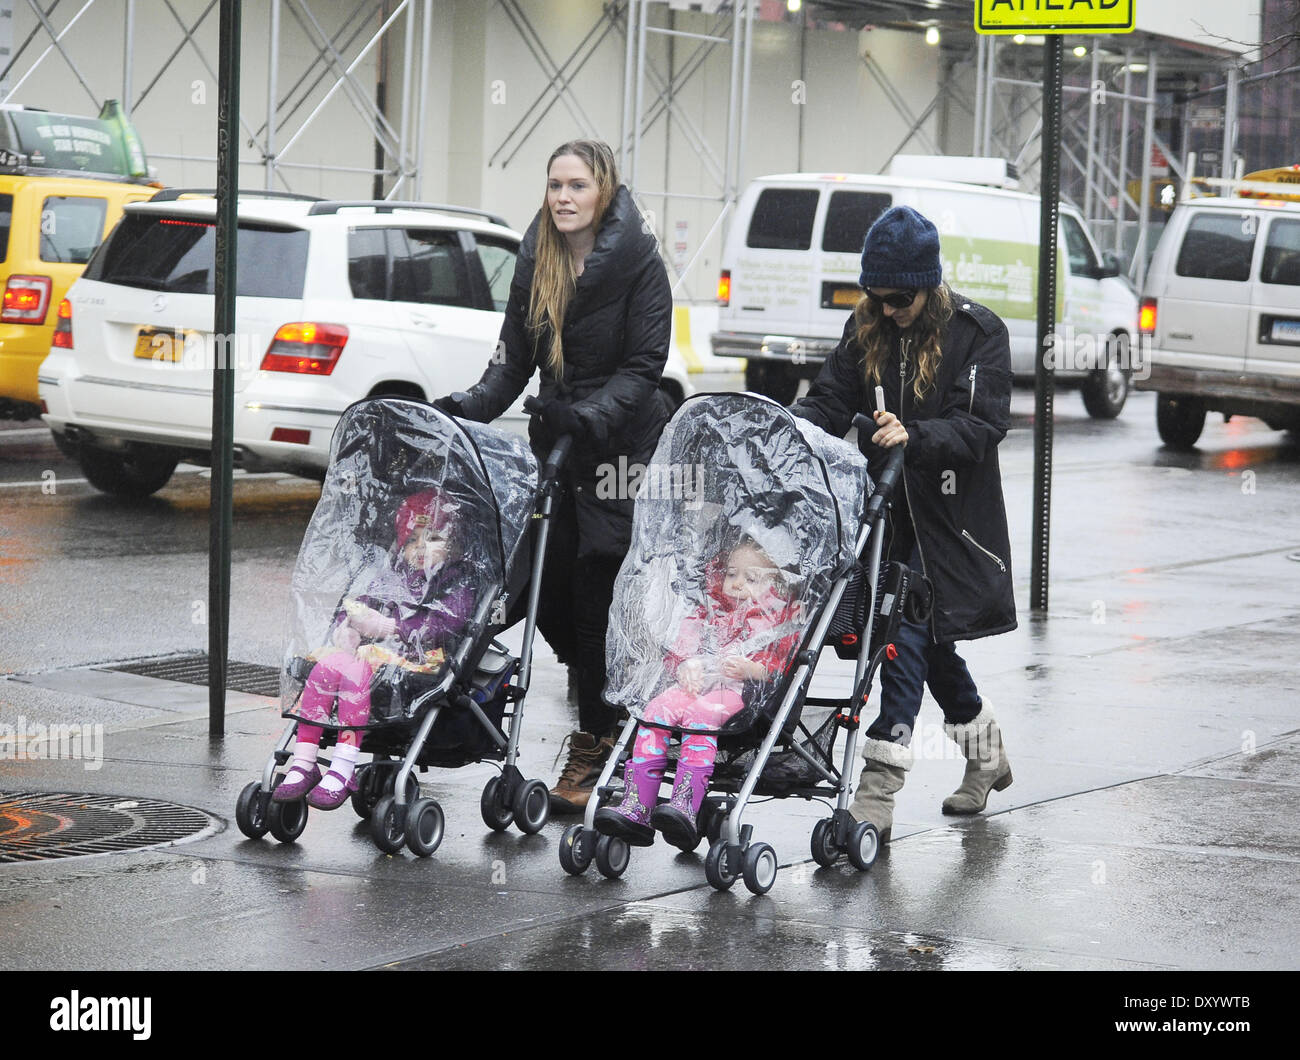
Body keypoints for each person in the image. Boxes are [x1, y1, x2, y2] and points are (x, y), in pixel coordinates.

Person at [434, 139, 673, 813]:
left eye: (576, 186)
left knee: (599, 573)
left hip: (623, 447)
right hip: (560, 443)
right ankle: (606, 688)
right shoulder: (536, 257)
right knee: (542, 579)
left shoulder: (640, 264)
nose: (563, 197)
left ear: (604, 192)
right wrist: (467, 408)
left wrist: (590, 416)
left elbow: (644, 368)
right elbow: (513, 361)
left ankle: (597, 737)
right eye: (554, 185)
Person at [792, 204, 1016, 844]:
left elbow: (981, 426)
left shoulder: (979, 333)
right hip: (884, 511)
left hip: (948, 521)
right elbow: (832, 399)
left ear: (929, 283)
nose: (887, 308)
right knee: (922, 638)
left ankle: (878, 789)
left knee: (903, 637)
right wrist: (792, 422)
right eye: (877, 295)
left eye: (900, 297)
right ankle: (987, 751)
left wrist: (912, 436)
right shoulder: (866, 327)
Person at [273, 489, 474, 810]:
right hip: (372, 657)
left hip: (419, 661)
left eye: (432, 538)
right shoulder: (394, 575)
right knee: (323, 669)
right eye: (412, 540)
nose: (420, 548)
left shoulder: (455, 581)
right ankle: (304, 761)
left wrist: (392, 628)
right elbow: (362, 604)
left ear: (452, 544)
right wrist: (347, 625)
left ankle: (343, 767)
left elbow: (445, 624)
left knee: (353, 671)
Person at [595, 537, 802, 849]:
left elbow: (777, 666)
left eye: (751, 578)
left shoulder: (774, 620)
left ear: (773, 584)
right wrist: (684, 665)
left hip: (739, 693)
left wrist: (750, 668)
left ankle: (686, 804)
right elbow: (683, 648)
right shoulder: (709, 609)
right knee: (655, 711)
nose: (737, 584)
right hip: (696, 686)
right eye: (732, 574)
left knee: (700, 715)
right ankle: (638, 804)